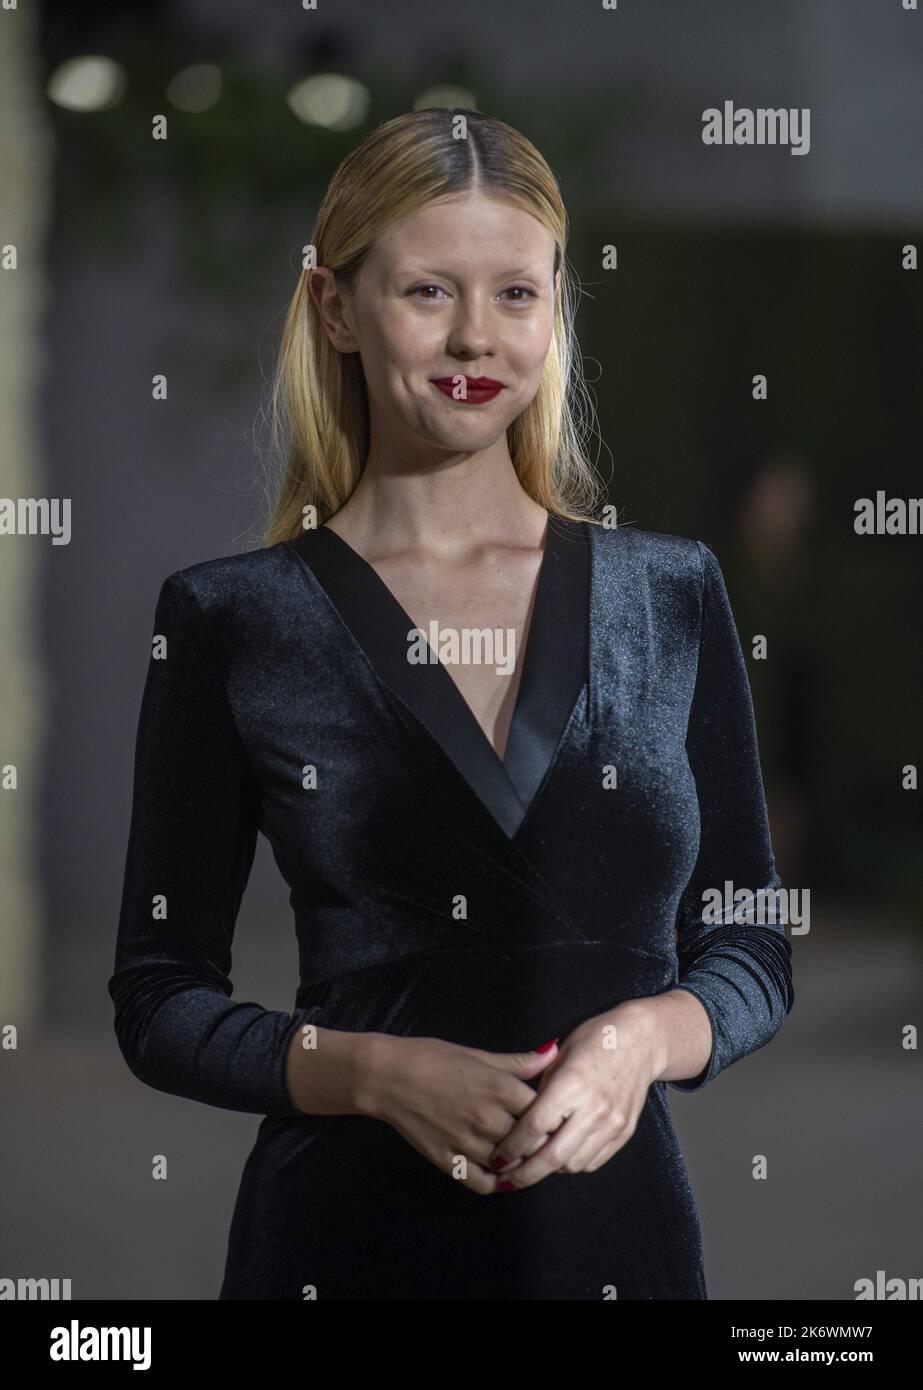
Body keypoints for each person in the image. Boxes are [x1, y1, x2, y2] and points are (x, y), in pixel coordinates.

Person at [108, 108, 794, 1300]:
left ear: (555, 307)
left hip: (617, 1246)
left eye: (516, 295)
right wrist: (372, 1073)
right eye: (428, 291)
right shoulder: (232, 619)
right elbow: (158, 997)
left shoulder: (668, 593)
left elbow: (747, 947)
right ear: (335, 308)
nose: (476, 336)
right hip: (341, 1246)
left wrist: (641, 1042)